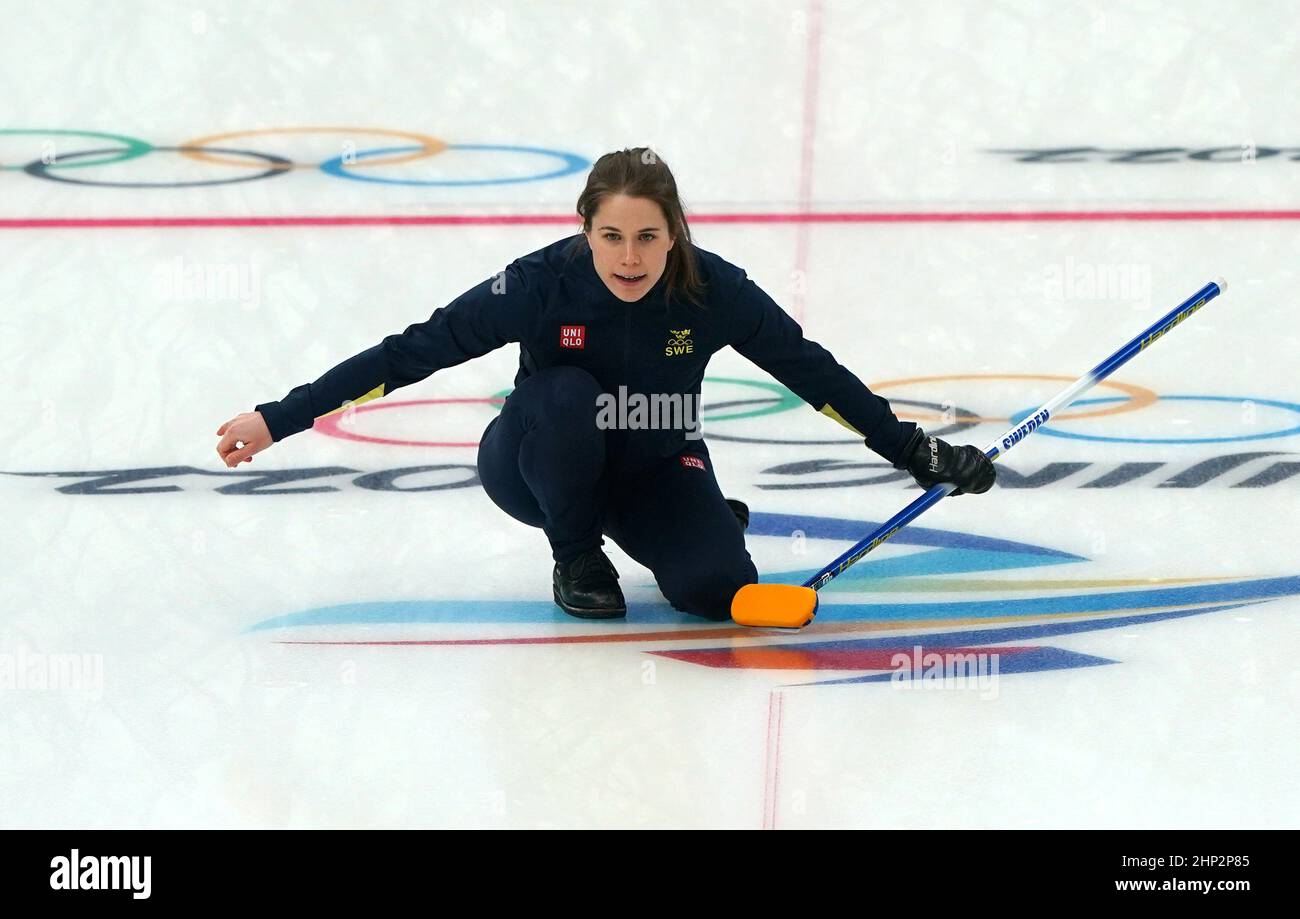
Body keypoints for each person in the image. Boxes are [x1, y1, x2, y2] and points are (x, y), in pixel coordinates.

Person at [215, 147, 995, 622]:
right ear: (584, 228)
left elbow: (812, 371)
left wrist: (913, 450)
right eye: (612, 236)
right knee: (564, 395)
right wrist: (280, 417)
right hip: (535, 463)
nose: (629, 257)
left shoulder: (711, 289)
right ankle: (578, 556)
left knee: (715, 587)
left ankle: (692, 521)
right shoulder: (539, 284)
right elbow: (413, 351)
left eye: (648, 236)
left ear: (675, 233)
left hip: (655, 464)